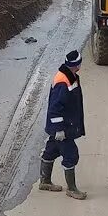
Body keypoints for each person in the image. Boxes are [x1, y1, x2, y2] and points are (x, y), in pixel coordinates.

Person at [38, 50, 86, 200]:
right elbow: (55, 108)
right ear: (76, 65)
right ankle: (71, 189)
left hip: (61, 127)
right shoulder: (64, 81)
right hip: (63, 128)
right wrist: (59, 129)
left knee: (51, 151)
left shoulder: (68, 77)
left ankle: (45, 181)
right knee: (71, 155)